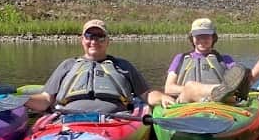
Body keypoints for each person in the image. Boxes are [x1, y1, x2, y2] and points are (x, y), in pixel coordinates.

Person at [25, 18, 167, 114]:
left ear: (107, 41)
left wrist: (163, 98)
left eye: (100, 36)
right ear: (82, 40)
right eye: (89, 36)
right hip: (69, 121)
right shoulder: (67, 65)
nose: (94, 41)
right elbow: (45, 100)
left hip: (115, 121)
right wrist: (21, 101)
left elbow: (146, 94)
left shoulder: (123, 65)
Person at [162, 17, 251, 105]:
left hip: (216, 104)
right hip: (185, 102)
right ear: (192, 38)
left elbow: (238, 77)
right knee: (191, 86)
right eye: (198, 36)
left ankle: (222, 93)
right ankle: (220, 91)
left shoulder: (225, 59)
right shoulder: (180, 58)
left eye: (206, 36)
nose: (202, 40)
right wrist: (195, 90)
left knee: (242, 75)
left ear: (213, 38)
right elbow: (169, 88)